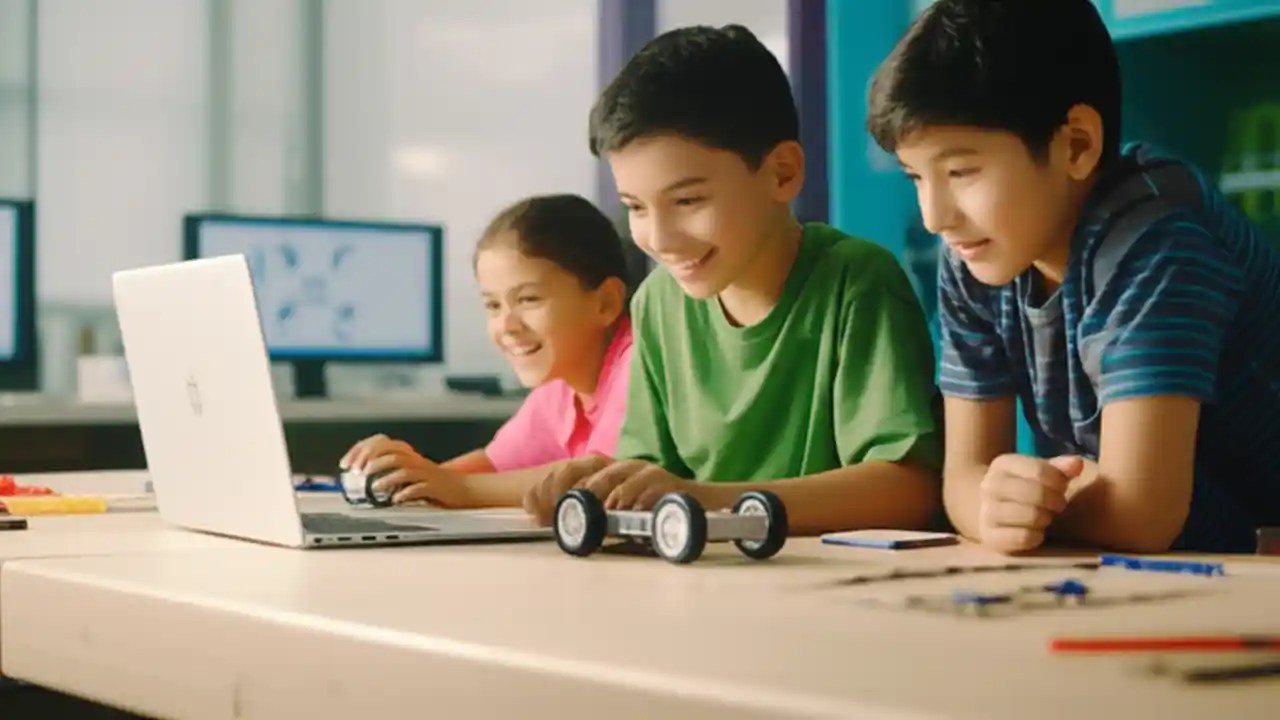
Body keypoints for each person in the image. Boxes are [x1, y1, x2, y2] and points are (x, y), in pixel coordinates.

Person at [867, 0, 1280, 553]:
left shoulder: (1157, 240)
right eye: (917, 176)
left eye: (961, 171)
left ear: (1077, 145)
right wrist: (993, 507)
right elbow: (963, 477)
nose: (935, 216)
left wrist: (1023, 505)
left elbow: (1140, 513)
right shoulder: (975, 252)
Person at [524, 24, 944, 536]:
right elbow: (652, 475)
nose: (660, 238)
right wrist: (603, 484)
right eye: (635, 206)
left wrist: (712, 502)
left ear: (783, 173)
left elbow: (906, 490)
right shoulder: (658, 301)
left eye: (688, 201)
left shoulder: (856, 282)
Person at [340, 194, 633, 508]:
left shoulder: (638, 364)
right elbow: (495, 468)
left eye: (529, 299)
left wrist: (458, 487)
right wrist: (404, 475)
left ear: (605, 303)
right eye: (493, 305)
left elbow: (605, 477)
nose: (507, 325)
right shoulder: (560, 389)